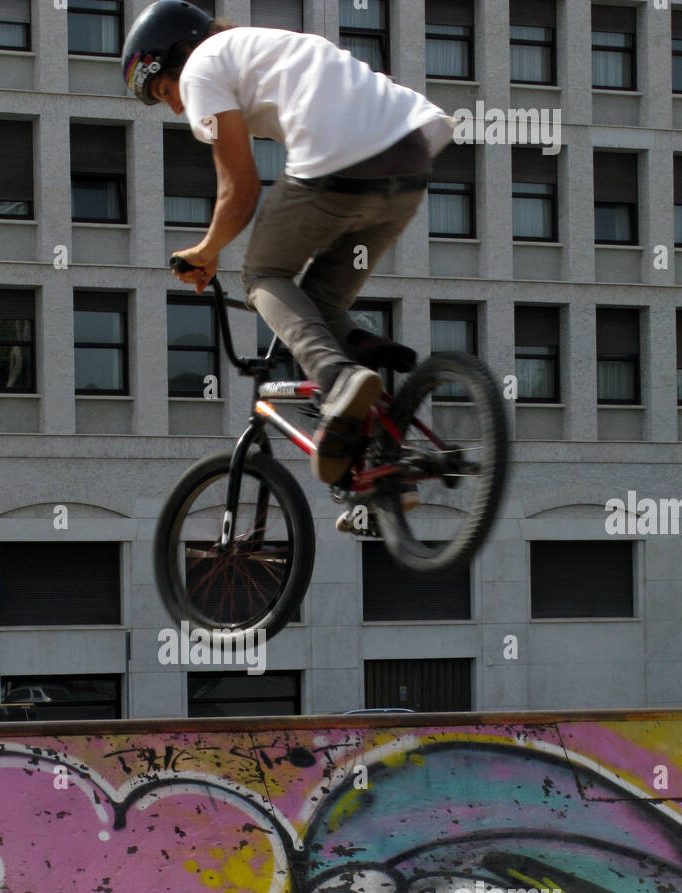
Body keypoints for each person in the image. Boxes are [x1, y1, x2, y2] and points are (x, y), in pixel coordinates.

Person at [121, 0, 455, 520]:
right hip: (410, 162)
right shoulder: (270, 46)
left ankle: (337, 376)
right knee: (319, 300)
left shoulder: (204, 66)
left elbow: (240, 191)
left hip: (340, 164)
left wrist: (205, 253)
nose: (176, 107)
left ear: (177, 57)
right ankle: (385, 467)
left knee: (263, 274)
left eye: (165, 90)